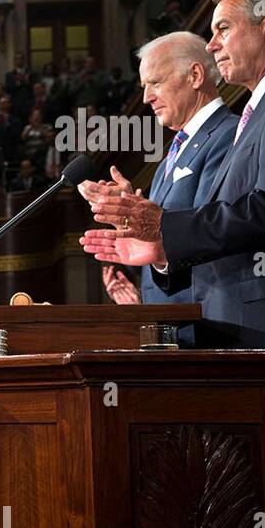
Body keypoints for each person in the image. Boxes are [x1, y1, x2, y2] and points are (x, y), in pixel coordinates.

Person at [81, 0, 265, 349]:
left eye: (223, 28)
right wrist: (159, 249)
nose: (212, 44)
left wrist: (162, 226)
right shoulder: (263, 107)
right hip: (243, 320)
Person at [79, 32, 237, 343]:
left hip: (208, 327)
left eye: (156, 82)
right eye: (144, 87)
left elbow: (215, 233)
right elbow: (163, 240)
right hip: (170, 329)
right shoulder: (173, 153)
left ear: (194, 75)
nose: (147, 97)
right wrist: (127, 215)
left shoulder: (228, 136)